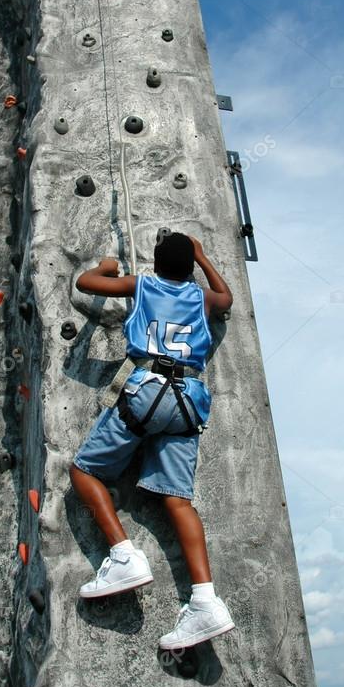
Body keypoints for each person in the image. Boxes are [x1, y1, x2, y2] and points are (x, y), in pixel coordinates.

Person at [69, 232, 235, 650]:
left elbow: (85, 284)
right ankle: (205, 601)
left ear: (156, 265)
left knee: (84, 471)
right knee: (178, 500)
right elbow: (226, 298)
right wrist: (203, 256)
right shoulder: (202, 298)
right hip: (188, 400)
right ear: (190, 267)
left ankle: (124, 556)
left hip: (147, 391)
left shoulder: (142, 285)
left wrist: (109, 268)